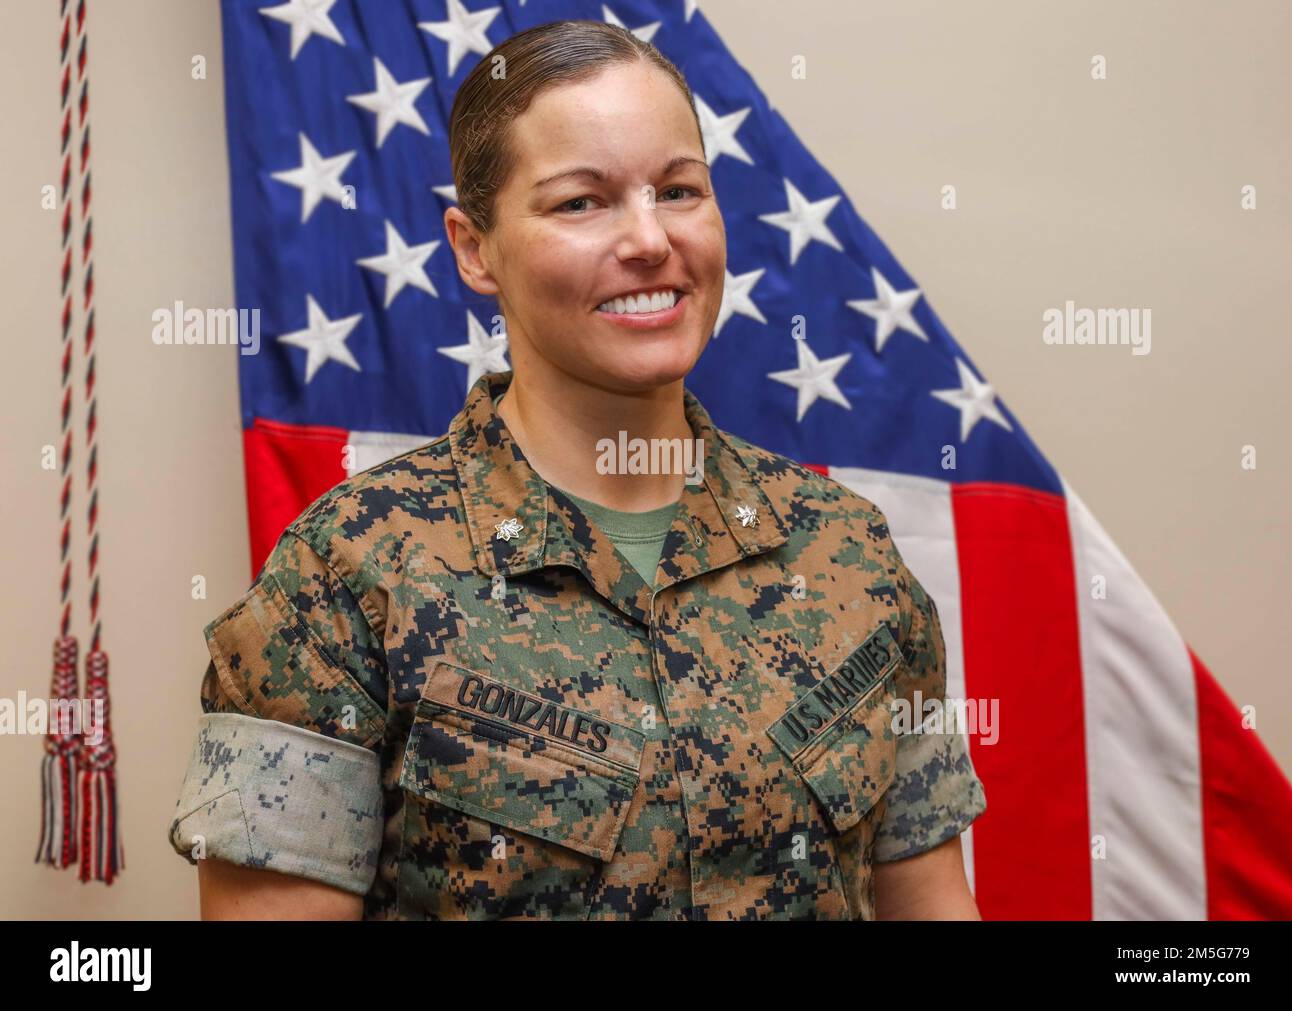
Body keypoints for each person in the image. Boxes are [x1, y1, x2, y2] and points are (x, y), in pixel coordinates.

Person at [166, 19, 987, 920]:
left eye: (678, 190)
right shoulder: (345, 578)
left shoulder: (847, 554)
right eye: (580, 203)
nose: (648, 240)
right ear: (474, 248)